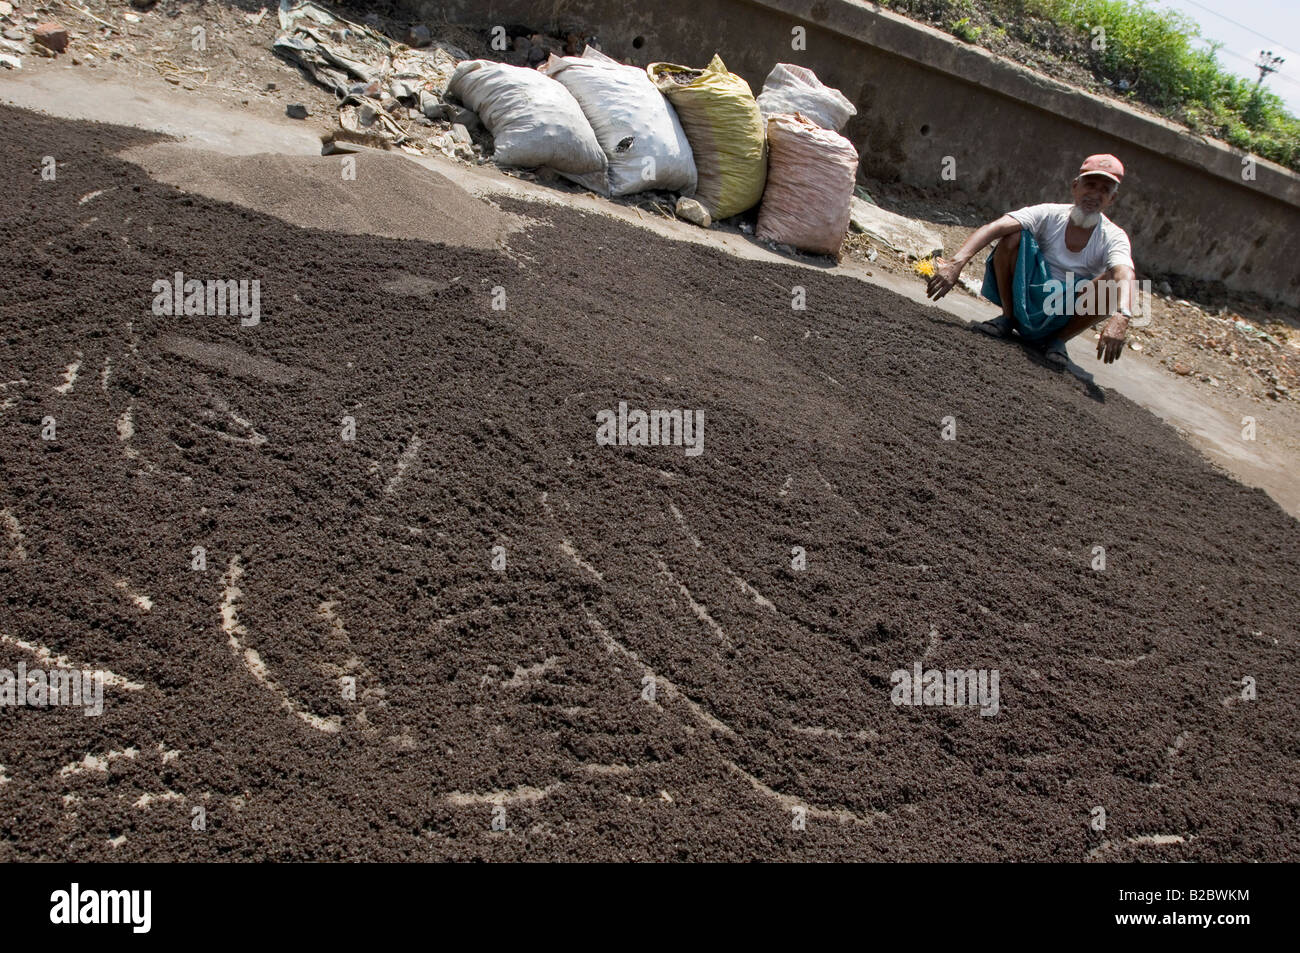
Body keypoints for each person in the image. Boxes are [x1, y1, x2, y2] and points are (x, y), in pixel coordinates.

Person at [925, 155, 1138, 366]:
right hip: (1027, 295)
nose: (1095, 194)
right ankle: (1007, 318)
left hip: (1067, 310)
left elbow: (1125, 272)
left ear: (1112, 199)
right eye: (1090, 185)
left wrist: (1122, 315)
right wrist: (956, 263)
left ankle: (1058, 341)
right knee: (1013, 236)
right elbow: (995, 227)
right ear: (1075, 186)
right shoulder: (1049, 213)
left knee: (1113, 281)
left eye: (1104, 190)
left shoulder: (1113, 236)